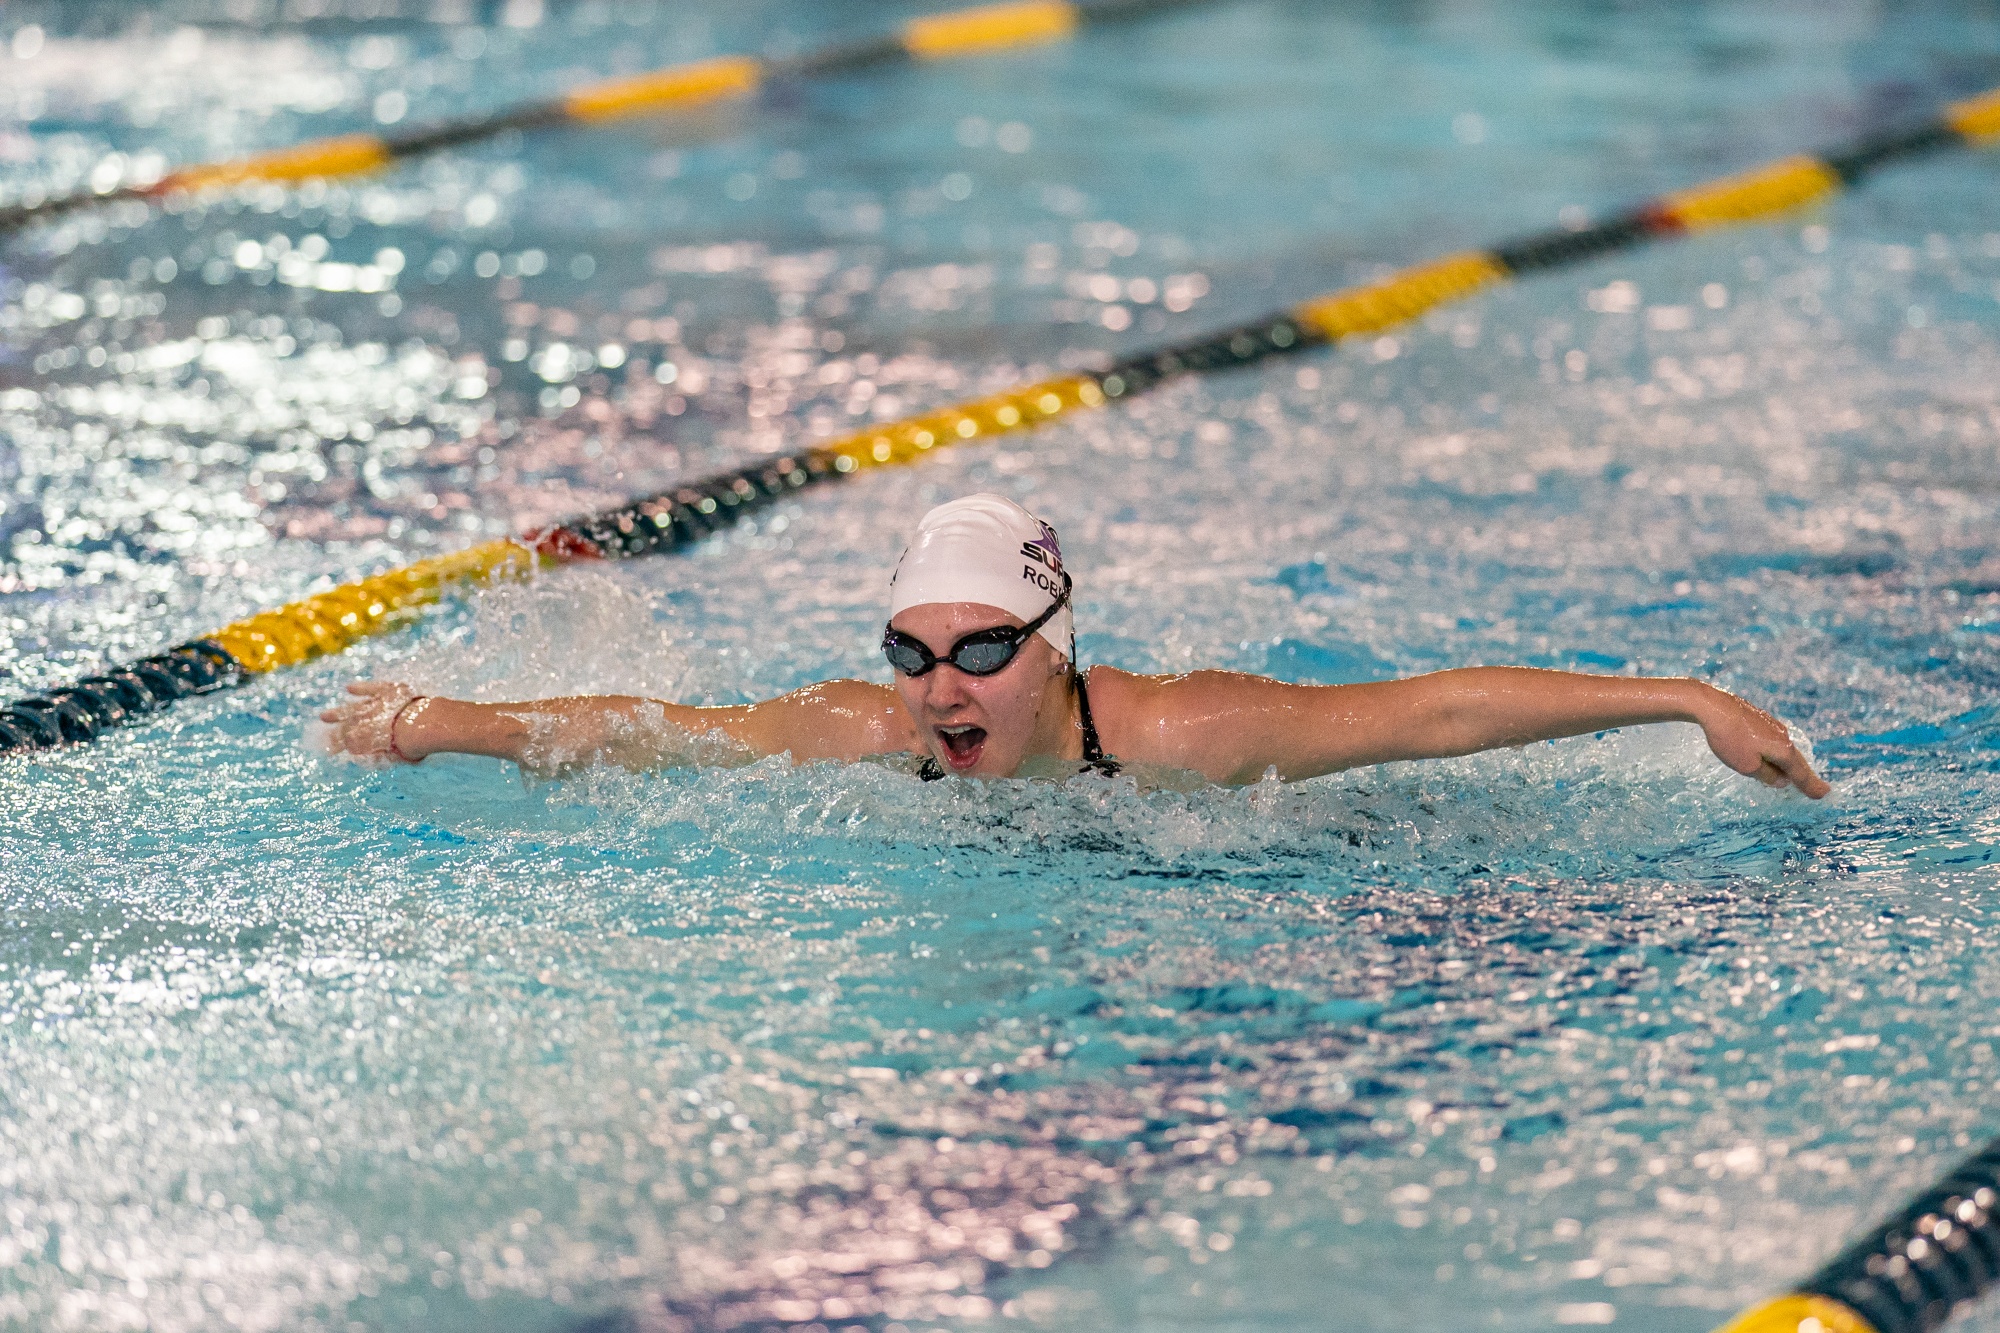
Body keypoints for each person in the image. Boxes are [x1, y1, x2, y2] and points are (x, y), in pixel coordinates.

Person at [320, 494, 1831, 797]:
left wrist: (1685, 698)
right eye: (912, 652)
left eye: (980, 650)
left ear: (1054, 643)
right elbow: (660, 726)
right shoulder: (870, 731)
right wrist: (446, 717)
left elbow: (1427, 714)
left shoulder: (1181, 731)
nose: (940, 687)